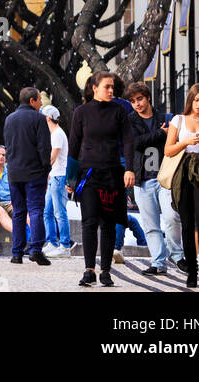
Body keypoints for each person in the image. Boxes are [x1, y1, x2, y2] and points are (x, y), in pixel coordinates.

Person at [68, 69, 135, 288]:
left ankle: (105, 271)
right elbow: (74, 146)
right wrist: (70, 180)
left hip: (113, 173)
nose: (111, 90)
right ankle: (89, 271)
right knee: (89, 222)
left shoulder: (119, 111)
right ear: (94, 88)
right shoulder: (81, 112)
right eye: (106, 86)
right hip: (89, 175)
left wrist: (129, 169)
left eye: (112, 87)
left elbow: (128, 141)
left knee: (108, 224)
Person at [164, 82, 199, 290]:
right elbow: (168, 150)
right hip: (182, 170)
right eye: (196, 100)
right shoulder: (178, 120)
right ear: (190, 100)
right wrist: (186, 142)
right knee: (186, 224)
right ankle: (192, 272)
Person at [126, 80, 184, 276]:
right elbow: (135, 143)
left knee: (172, 217)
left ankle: (177, 256)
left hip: (165, 177)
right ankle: (158, 262)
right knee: (151, 225)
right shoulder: (130, 121)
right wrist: (160, 133)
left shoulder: (166, 117)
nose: (137, 104)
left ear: (148, 97)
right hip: (142, 178)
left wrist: (162, 133)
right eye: (133, 101)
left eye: (140, 99)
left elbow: (176, 140)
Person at [3, 87, 52, 266]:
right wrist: (46, 168)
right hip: (34, 173)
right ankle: (36, 249)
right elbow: (44, 148)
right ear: (32, 101)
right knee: (36, 211)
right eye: (39, 100)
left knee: (19, 213)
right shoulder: (39, 119)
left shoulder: (9, 119)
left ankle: (17, 253)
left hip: (14, 173)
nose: (41, 103)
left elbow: (9, 145)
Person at [41, 105, 72, 257]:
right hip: (54, 176)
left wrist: (42, 172)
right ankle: (52, 243)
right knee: (47, 212)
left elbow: (53, 157)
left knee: (59, 212)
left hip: (59, 176)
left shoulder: (58, 134)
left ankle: (65, 246)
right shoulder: (53, 134)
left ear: (47, 118)